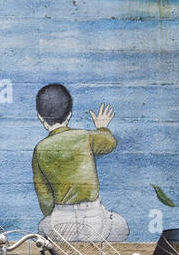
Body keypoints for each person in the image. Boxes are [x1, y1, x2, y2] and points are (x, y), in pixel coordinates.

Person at [31, 83, 128, 242]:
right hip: (95, 223)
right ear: (69, 114)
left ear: (40, 116)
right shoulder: (84, 136)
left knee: (43, 227)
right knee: (121, 225)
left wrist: (55, 213)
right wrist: (102, 128)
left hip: (61, 225)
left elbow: (45, 199)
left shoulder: (40, 149)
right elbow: (110, 143)